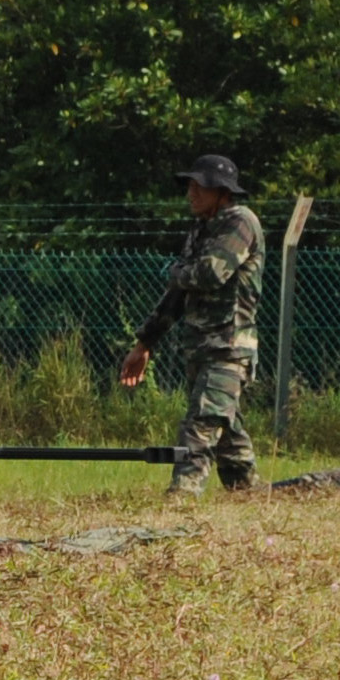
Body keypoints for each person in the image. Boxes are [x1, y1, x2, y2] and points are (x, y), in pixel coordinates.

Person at [118, 154, 264, 494]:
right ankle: (249, 492)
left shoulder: (240, 222)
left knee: (201, 424)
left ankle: (181, 497)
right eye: (190, 186)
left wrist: (175, 272)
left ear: (221, 191)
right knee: (224, 429)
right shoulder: (202, 229)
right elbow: (177, 296)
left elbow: (212, 273)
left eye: (199, 186)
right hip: (200, 347)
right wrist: (145, 344)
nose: (191, 194)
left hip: (228, 347)